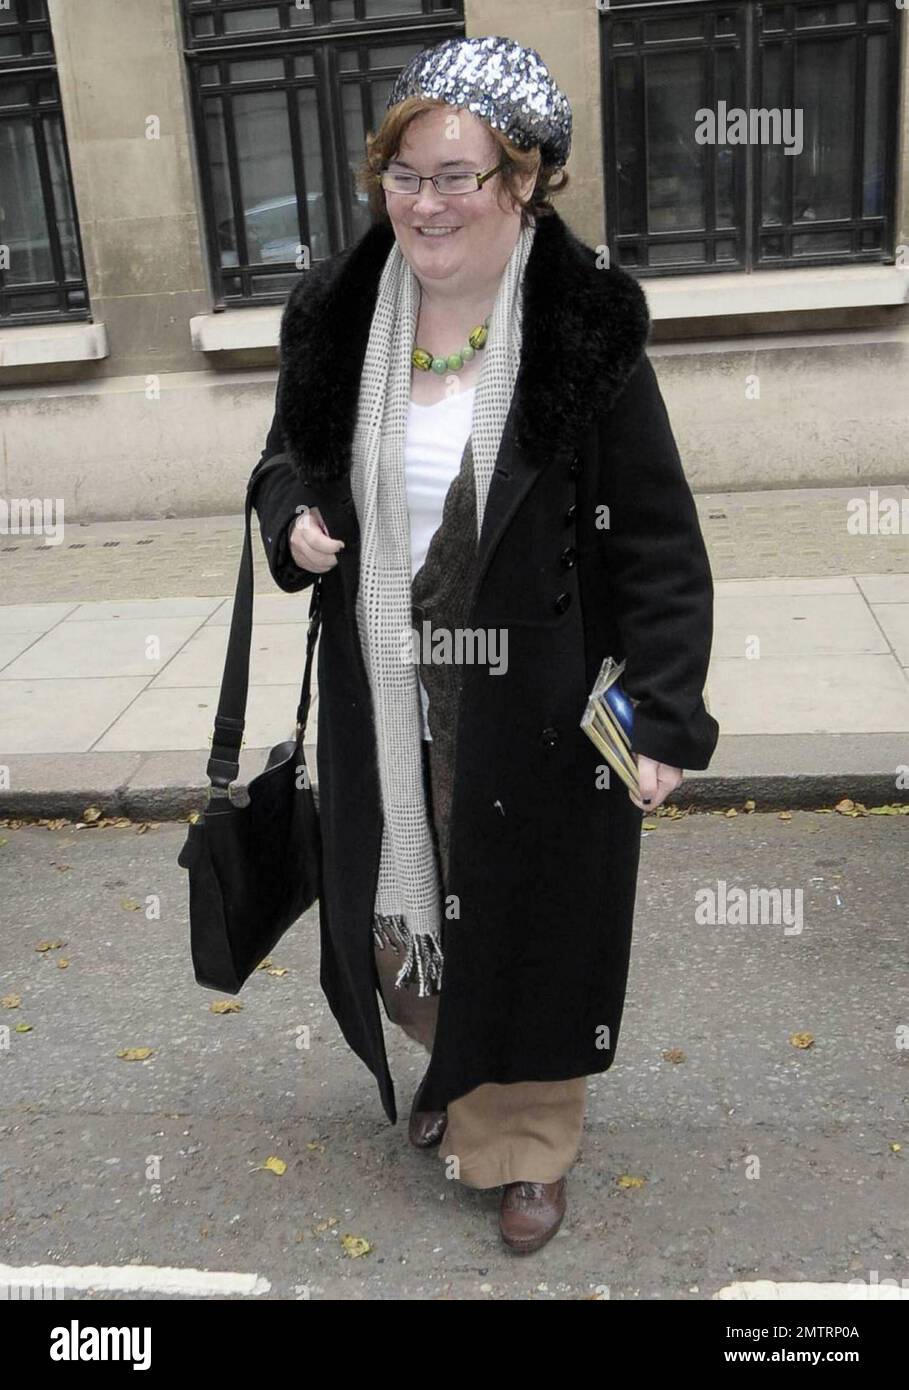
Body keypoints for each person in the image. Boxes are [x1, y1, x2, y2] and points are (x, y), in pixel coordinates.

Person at [251, 35, 719, 1255]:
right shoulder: (343, 317)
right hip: (386, 692)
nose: (428, 202)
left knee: (529, 920)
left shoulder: (583, 334)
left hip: (536, 707)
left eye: (458, 174)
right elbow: (284, 459)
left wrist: (662, 713)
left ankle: (525, 1142)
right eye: (405, 175)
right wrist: (295, 517)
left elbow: (656, 543)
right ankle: (455, 1073)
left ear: (523, 181)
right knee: (410, 902)